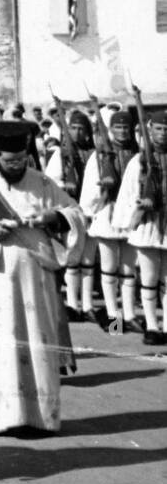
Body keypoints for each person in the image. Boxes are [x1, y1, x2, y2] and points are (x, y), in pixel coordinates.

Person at [0, 121, 87, 434]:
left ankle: (38, 417)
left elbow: (77, 213)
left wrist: (53, 217)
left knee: (35, 343)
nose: (15, 166)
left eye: (20, 160)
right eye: (7, 161)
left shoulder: (42, 183)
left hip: (35, 277)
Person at [111, 109, 167, 345]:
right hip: (147, 224)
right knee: (149, 277)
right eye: (159, 129)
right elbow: (129, 192)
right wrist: (135, 211)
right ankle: (152, 326)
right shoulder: (140, 160)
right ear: (150, 130)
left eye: (166, 130)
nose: (163, 134)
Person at [81, 107, 139, 333]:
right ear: (111, 129)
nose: (122, 131)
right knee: (108, 268)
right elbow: (91, 185)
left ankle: (131, 315)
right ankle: (114, 317)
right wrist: (94, 204)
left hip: (132, 215)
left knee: (128, 268)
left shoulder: (138, 152)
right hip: (108, 213)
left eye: (126, 127)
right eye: (118, 127)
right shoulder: (101, 154)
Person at [45, 109, 98, 325]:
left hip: (92, 210)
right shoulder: (61, 153)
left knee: (88, 259)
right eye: (73, 128)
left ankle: (88, 306)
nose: (77, 132)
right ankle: (73, 304)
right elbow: (48, 181)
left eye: (81, 128)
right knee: (72, 257)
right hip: (69, 211)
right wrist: (64, 186)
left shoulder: (95, 153)